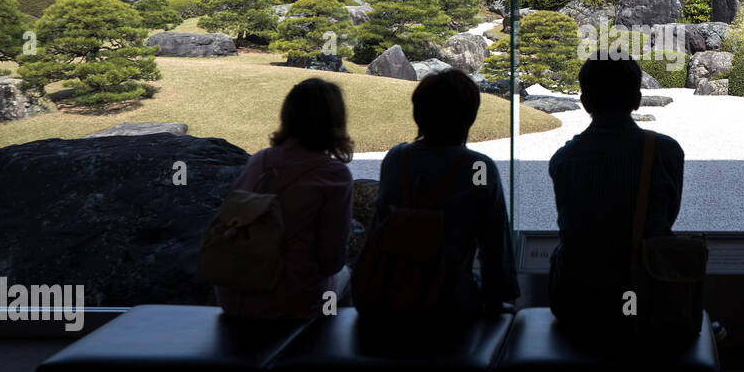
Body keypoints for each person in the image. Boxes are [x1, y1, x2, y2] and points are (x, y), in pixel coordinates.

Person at [360, 68, 519, 332]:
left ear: (418, 113)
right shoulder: (478, 167)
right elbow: (494, 244)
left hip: (383, 296)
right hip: (446, 303)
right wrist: (497, 297)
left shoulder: (397, 158)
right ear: (469, 116)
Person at [547, 54, 686, 343]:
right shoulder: (666, 152)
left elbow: (571, 223)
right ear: (637, 99)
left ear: (585, 102)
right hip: (647, 292)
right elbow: (666, 218)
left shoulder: (564, 159)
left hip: (577, 301)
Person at [217, 77, 355, 320]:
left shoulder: (260, 161)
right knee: (344, 275)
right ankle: (324, 348)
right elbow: (331, 260)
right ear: (334, 121)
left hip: (235, 294)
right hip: (292, 304)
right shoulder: (334, 174)